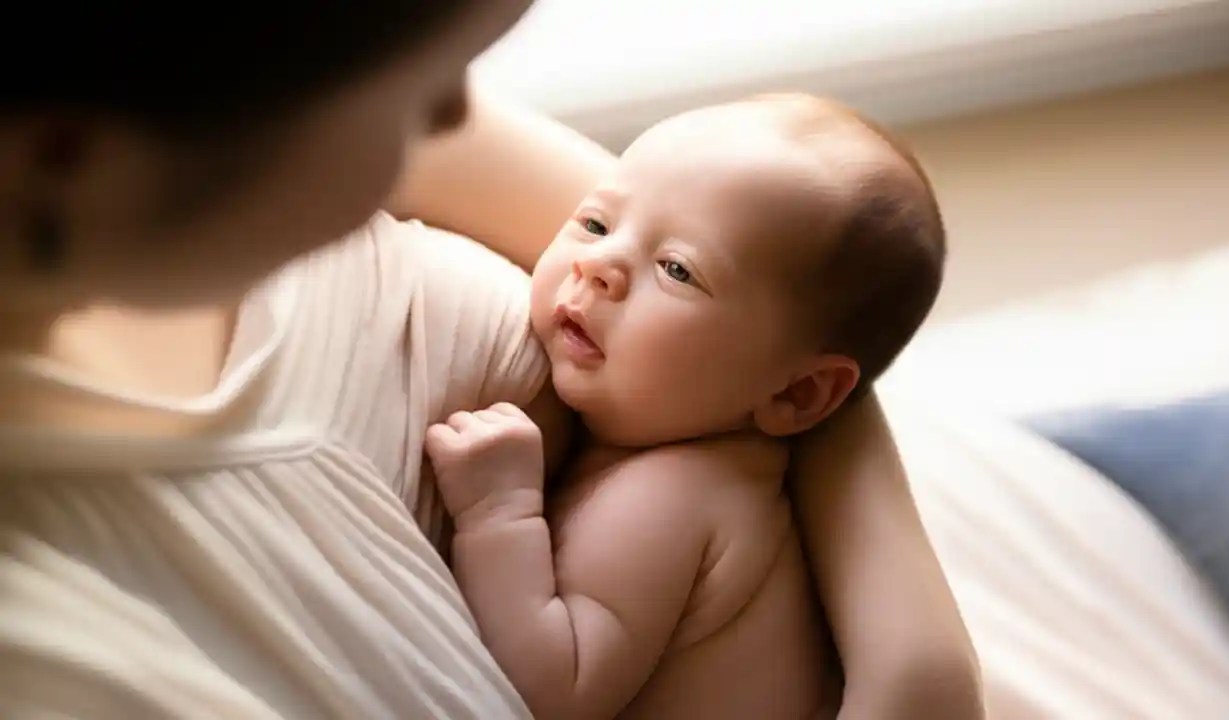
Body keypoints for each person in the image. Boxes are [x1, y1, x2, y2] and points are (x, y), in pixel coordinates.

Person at [0, 4, 980, 719]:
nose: (460, 117)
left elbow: (558, 678)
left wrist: (921, 667)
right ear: (61, 159)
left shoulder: (686, 476)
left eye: (672, 269)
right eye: (593, 222)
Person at [424, 95, 943, 719]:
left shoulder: (671, 493)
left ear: (795, 393)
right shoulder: (709, 462)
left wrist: (498, 513)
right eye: (595, 224)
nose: (599, 265)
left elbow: (550, 690)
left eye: (676, 270)